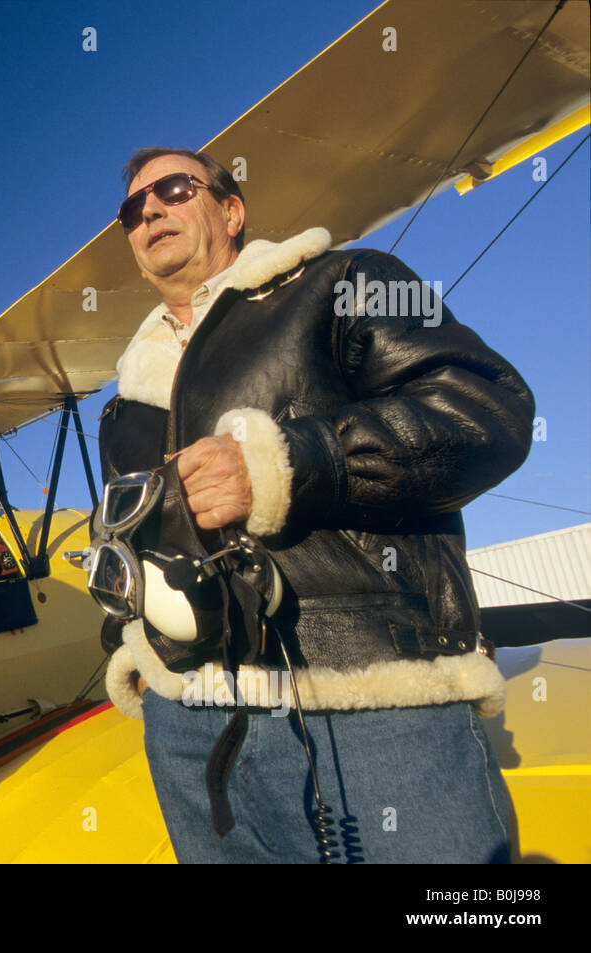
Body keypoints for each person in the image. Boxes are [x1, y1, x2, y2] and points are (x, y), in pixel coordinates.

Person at [98, 147, 533, 863]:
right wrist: (130, 648)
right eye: (131, 209)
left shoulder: (347, 281)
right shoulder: (124, 405)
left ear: (231, 210)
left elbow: (489, 411)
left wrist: (290, 463)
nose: (148, 210)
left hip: (372, 700)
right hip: (189, 725)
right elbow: (123, 543)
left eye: (174, 190)